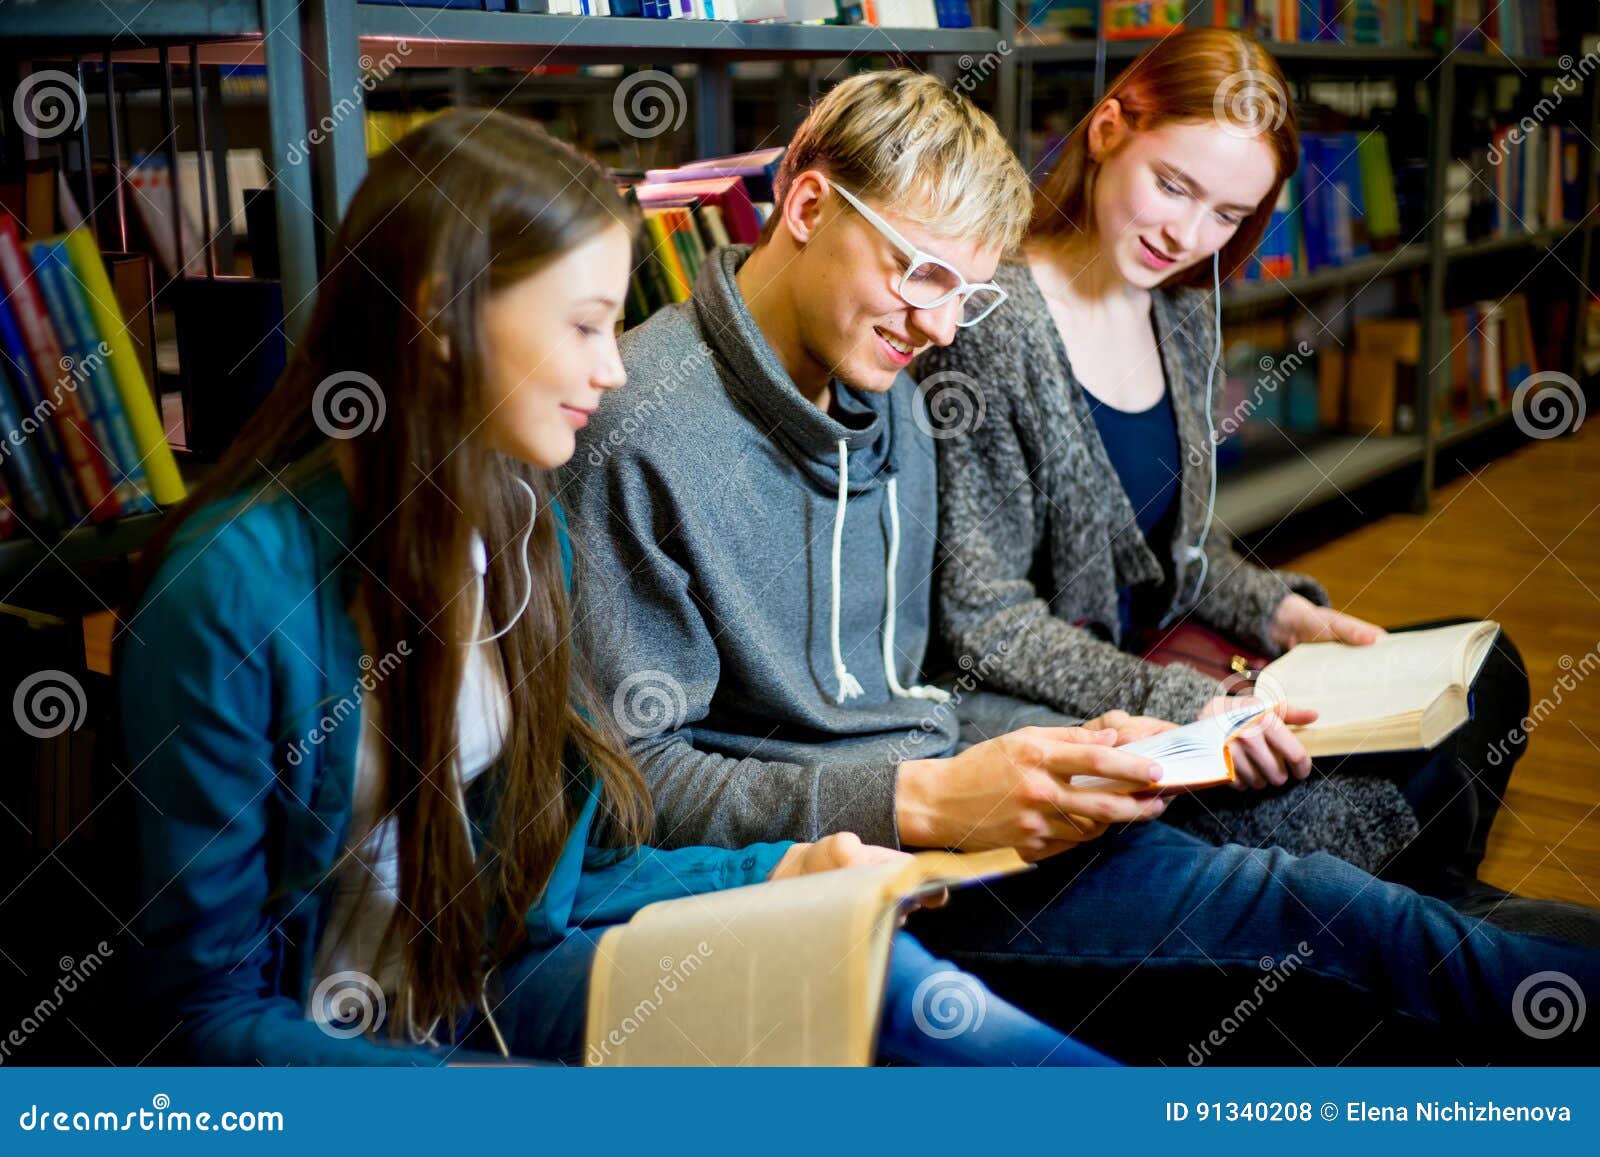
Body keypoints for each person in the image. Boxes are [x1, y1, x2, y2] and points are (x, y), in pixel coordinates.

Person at [561, 69, 1600, 1064]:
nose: (935, 326)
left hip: (974, 808)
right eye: (920, 273)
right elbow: (629, 788)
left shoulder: (893, 389)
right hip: (861, 868)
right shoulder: (637, 431)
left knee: (1377, 897)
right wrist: (920, 799)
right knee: (1318, 915)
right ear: (805, 205)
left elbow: (911, 686)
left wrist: (1073, 741)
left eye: (965, 296)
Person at [115, 110, 1112, 1068]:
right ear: (441, 315)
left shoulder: (513, 520)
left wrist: (777, 871)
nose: (610, 370)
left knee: (871, 980)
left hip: (500, 989)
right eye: (586, 326)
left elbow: (553, 883)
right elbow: (197, 1015)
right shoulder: (227, 592)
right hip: (357, 1055)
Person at [915, 29, 1533, 907]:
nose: (1188, 234)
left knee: (1485, 675)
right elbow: (983, 624)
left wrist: (1279, 613)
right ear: (1107, 130)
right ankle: (1411, 930)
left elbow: (1181, 541)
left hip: (1180, 672)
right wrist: (1177, 701)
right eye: (1173, 185)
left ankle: (1396, 927)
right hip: (1068, 712)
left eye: (1229, 216)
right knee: (1352, 809)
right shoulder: (992, 327)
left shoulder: (1181, 308)